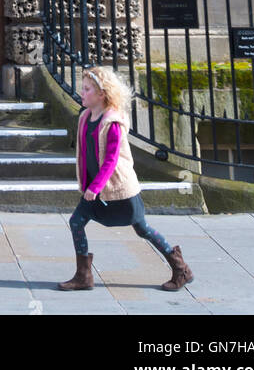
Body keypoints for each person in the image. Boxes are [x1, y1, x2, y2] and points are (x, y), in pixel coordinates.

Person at [58, 65, 195, 293]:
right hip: (94, 188)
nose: (82, 93)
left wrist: (96, 186)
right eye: (83, 88)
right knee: (76, 222)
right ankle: (83, 275)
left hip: (119, 189)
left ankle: (181, 269)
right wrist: (88, 184)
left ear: (102, 94)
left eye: (87, 89)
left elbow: (111, 161)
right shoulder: (84, 117)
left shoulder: (112, 123)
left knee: (142, 229)